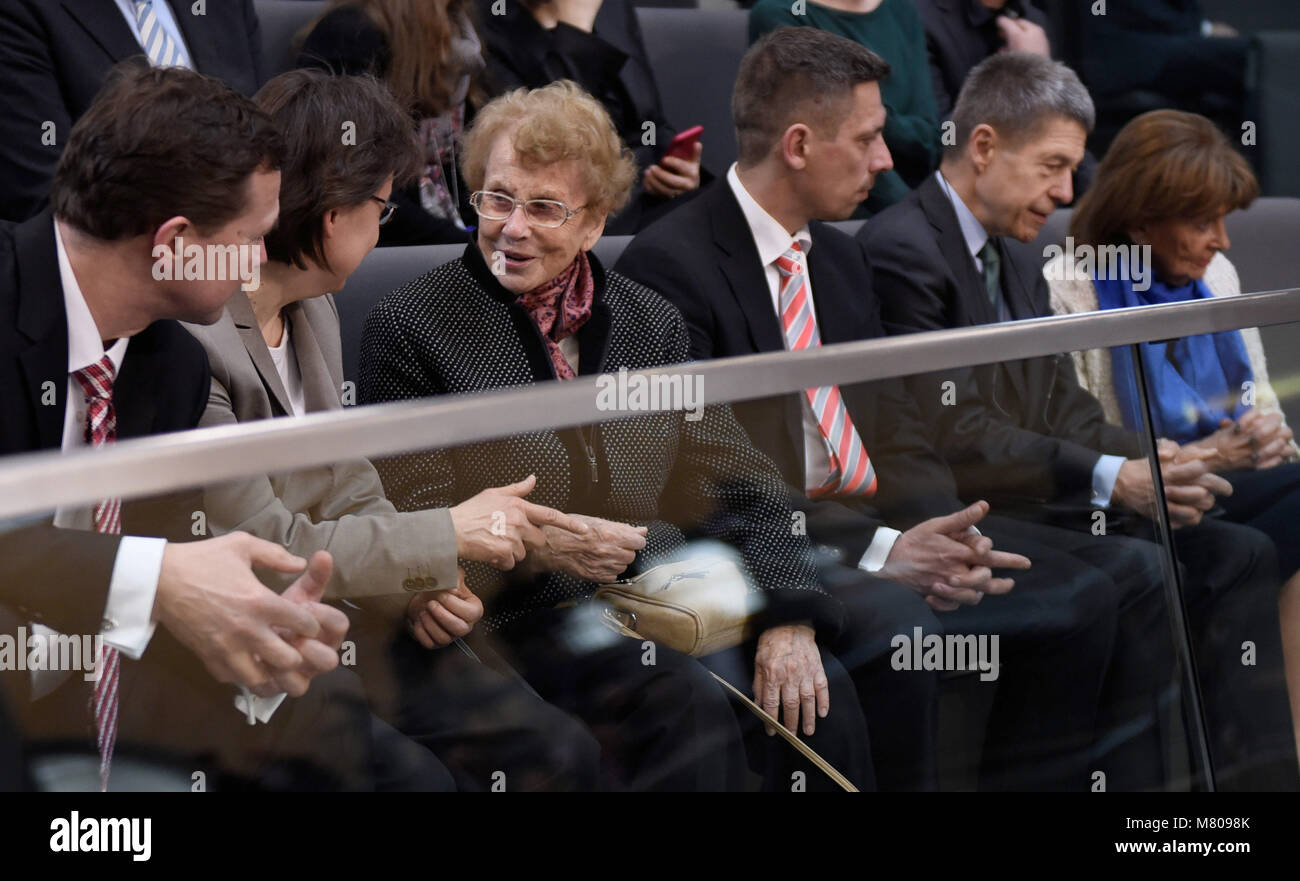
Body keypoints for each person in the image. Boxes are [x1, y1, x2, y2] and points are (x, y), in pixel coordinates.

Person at [617, 26, 1163, 792]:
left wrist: (940, 532)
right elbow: (710, 478)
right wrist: (885, 550)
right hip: (777, 537)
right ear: (801, 144)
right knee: (903, 626)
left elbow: (897, 424)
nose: (885, 160)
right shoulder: (670, 264)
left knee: (1095, 594)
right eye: (870, 138)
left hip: (873, 521)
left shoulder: (838, 257)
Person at [360, 79, 873, 791]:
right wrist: (536, 543)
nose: (513, 227)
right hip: (524, 616)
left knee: (824, 691)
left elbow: (740, 478)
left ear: (594, 223)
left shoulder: (646, 322)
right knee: (682, 704)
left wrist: (790, 614)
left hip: (664, 590)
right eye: (498, 198)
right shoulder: (414, 327)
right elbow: (416, 532)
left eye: (544, 208)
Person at [860, 51, 1299, 790]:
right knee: (1132, 571)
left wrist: (1150, 459)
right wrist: (1113, 476)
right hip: (971, 504)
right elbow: (954, 427)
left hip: (1048, 493)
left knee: (1239, 555)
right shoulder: (905, 251)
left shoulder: (1015, 254)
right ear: (985, 145)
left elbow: (1064, 404)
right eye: (1052, 166)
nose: (1065, 191)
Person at [0, 61, 423, 792]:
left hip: (96, 687)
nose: (263, 259)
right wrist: (158, 580)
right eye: (251, 236)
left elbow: (175, 576)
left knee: (352, 743)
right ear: (176, 240)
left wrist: (247, 626)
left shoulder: (171, 367)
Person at [184, 69, 600, 791]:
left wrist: (418, 582)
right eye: (381, 204)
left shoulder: (315, 306)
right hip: (250, 652)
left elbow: (349, 484)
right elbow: (271, 548)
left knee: (556, 748)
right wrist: (446, 535)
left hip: (353, 617)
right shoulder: (199, 338)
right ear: (332, 211)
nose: (388, 225)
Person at [1048, 107, 1300, 761]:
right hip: (1133, 506)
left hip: (1231, 483)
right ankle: (1266, 762)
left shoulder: (1215, 278)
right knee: (1256, 543)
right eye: (1200, 221)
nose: (1222, 240)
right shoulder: (1067, 288)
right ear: (1139, 219)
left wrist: (1270, 439)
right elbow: (1083, 453)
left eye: (1224, 218)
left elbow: (1262, 408)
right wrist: (1214, 452)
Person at [0, 0, 264, 223]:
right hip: (129, 256)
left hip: (251, 243)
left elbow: (268, 135)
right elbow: (48, 192)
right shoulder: (20, 11)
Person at [476, 0, 704, 235]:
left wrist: (678, 169)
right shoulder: (487, 21)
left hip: (649, 196)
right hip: (567, 213)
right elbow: (561, 144)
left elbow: (650, 117)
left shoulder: (610, 7)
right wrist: (578, 29)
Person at [297, 0, 487, 246]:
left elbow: (460, 167)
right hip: (387, 239)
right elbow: (354, 178)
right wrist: (464, 243)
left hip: (448, 232)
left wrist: (490, 231)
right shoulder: (350, 35)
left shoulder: (460, 31)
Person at [748, 0, 939, 215]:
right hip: (849, 207)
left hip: (920, 193)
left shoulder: (902, 8)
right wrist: (913, 215)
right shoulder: (785, 11)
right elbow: (825, 133)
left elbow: (930, 136)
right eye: (867, 136)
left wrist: (870, 122)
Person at [913, 0, 1051, 120]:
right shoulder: (922, 17)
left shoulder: (1034, 20)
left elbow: (1051, 125)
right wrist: (1024, 74)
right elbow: (944, 136)